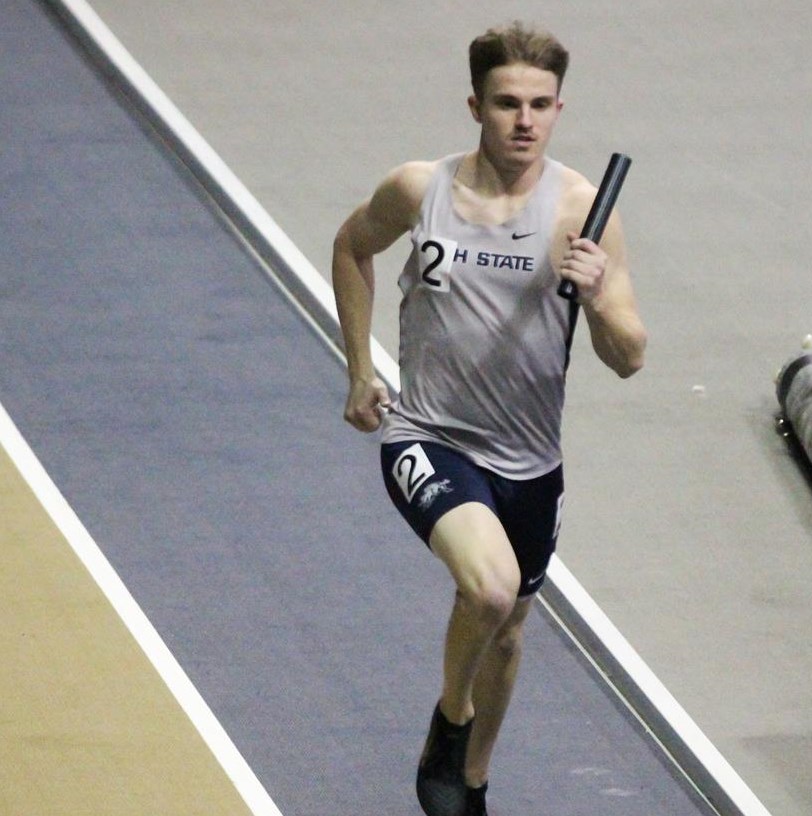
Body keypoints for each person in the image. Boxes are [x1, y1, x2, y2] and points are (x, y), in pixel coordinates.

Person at [331, 20, 646, 816]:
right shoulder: (419, 190)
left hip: (531, 461)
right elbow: (350, 247)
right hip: (430, 435)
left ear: (558, 108)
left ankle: (470, 784)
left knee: (505, 633)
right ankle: (451, 717)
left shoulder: (580, 210)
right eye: (507, 103)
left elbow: (628, 354)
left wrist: (596, 292)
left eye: (541, 104)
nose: (524, 121)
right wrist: (362, 368)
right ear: (474, 104)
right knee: (492, 589)